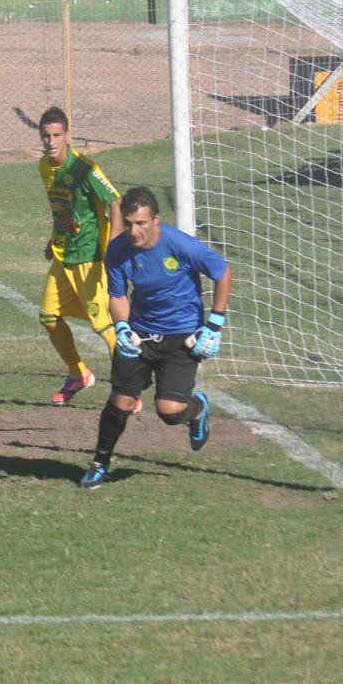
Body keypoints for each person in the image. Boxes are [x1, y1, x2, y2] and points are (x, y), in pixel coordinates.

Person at [79, 186, 234, 489]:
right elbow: (117, 295)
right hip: (139, 334)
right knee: (121, 402)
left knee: (169, 411)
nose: (134, 231)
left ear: (156, 220)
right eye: (128, 223)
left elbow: (223, 273)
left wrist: (213, 325)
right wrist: (121, 326)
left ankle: (196, 410)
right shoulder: (117, 250)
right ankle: (99, 462)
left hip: (181, 337)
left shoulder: (182, 246)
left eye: (141, 223)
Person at [36, 106, 123, 405]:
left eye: (57, 135)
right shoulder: (44, 167)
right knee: (48, 316)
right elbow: (62, 208)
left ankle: (128, 390)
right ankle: (78, 374)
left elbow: (116, 202)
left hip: (90, 257)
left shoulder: (86, 169)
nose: (51, 142)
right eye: (46, 136)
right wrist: (52, 240)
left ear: (68, 136)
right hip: (63, 256)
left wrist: (114, 248)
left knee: (103, 326)